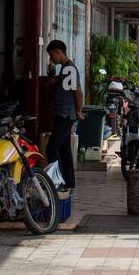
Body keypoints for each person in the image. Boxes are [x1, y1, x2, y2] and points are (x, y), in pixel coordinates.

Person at [46, 39, 83, 190]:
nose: (51, 59)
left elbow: (78, 93)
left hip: (65, 116)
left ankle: (57, 181)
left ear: (58, 52)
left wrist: (79, 111)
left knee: (52, 149)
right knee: (64, 149)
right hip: (64, 114)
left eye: (51, 55)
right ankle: (69, 182)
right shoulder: (65, 70)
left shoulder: (69, 69)